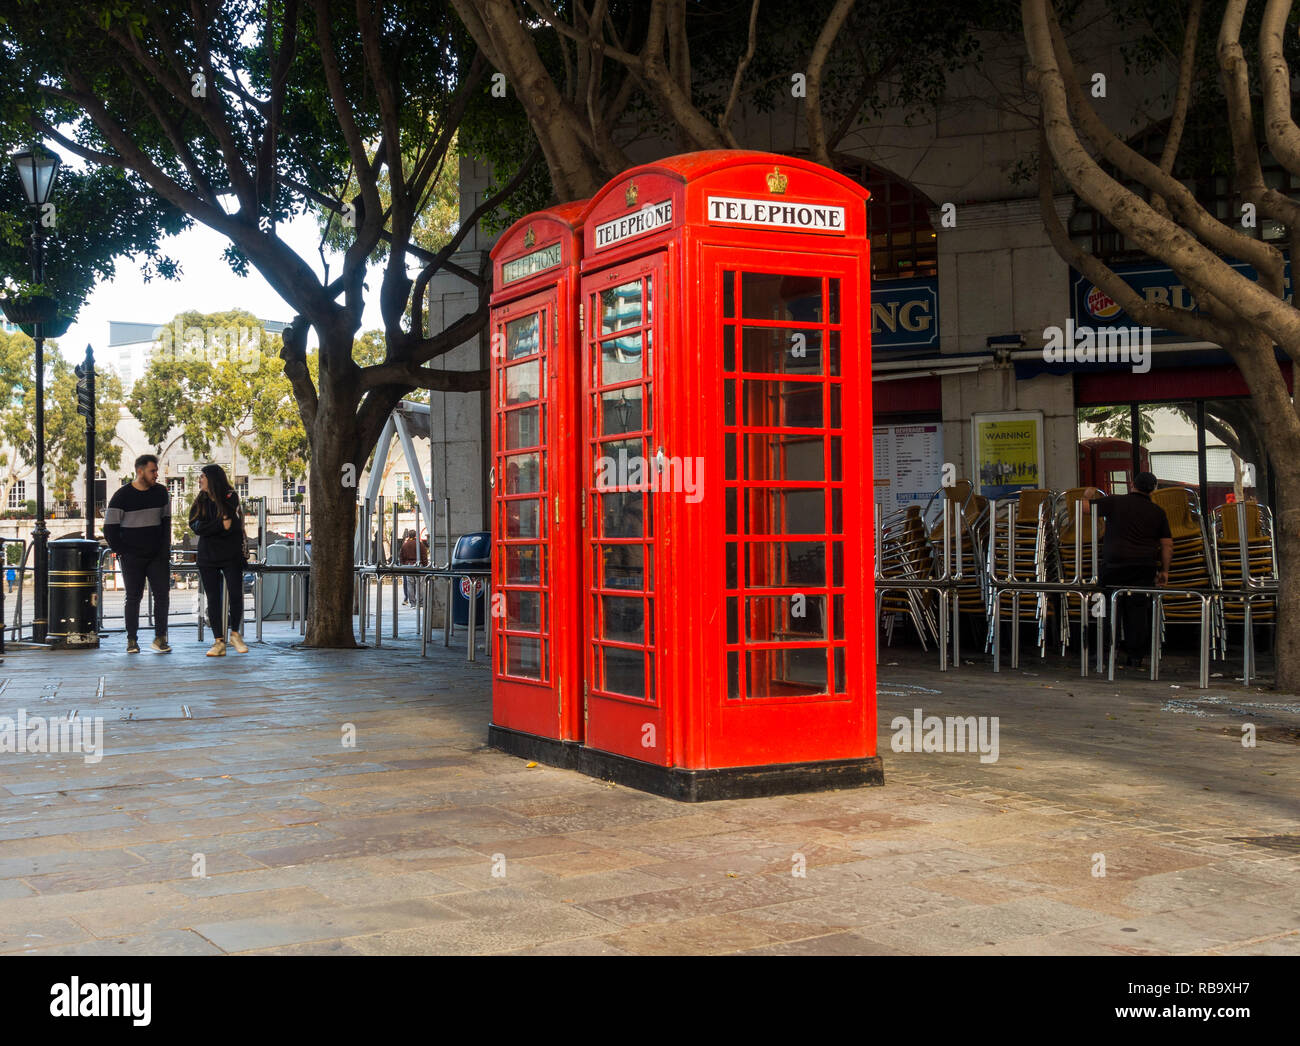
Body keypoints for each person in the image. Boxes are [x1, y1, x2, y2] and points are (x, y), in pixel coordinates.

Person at [1084, 472, 1174, 669]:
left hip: (1113, 565)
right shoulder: (1158, 512)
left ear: (1132, 485)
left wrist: (1087, 494)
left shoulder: (1115, 502)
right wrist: (1164, 571)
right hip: (1143, 567)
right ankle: (1135, 656)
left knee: (1105, 608)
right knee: (1137, 613)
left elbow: (1083, 508)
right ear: (1154, 489)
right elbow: (1167, 544)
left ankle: (1105, 652)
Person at [104, 454, 172, 654]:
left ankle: (160, 638)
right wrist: (123, 551)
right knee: (133, 597)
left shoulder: (161, 493)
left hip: (157, 555)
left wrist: (164, 550)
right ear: (140, 471)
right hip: (132, 556)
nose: (156, 474)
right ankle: (132, 640)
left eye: (156, 471)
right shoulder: (121, 496)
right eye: (153, 471)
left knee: (162, 596)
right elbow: (109, 529)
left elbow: (166, 523)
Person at [189, 464, 249, 656]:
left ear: (212, 479)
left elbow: (230, 524)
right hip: (208, 556)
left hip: (231, 554)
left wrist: (210, 527)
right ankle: (218, 641)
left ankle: (235, 634)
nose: (199, 480)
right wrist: (218, 525)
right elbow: (196, 526)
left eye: (202, 477)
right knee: (213, 598)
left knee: (236, 593)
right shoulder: (200, 500)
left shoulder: (231, 496)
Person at [399, 528, 420, 606]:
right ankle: (420, 602)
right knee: (418, 584)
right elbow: (423, 554)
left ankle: (412, 602)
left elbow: (401, 555)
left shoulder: (405, 544)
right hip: (418, 565)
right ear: (415, 535)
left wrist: (402, 564)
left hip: (408, 565)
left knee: (409, 584)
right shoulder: (419, 544)